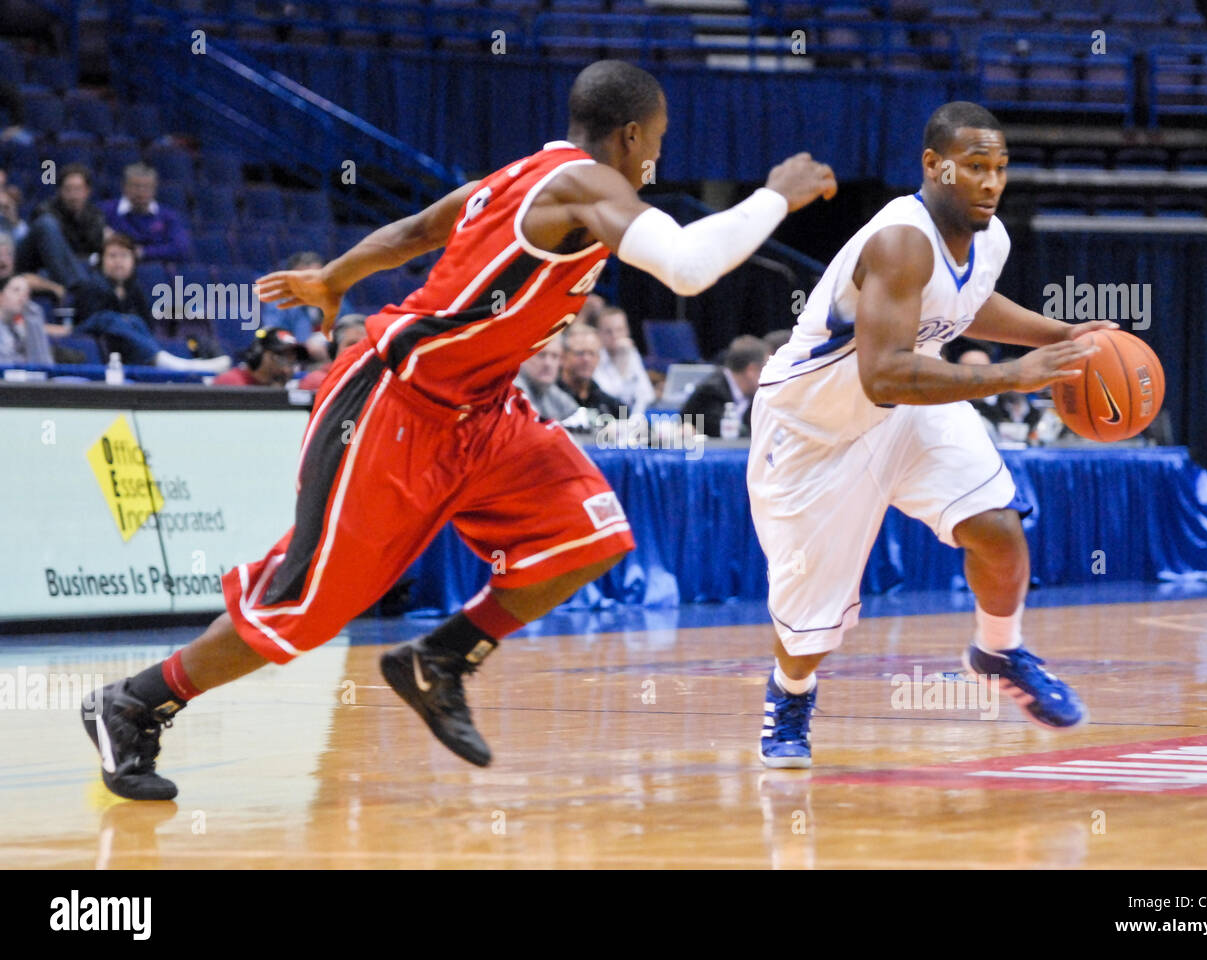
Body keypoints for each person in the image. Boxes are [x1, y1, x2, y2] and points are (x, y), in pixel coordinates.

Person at [81, 58, 836, 800]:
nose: (659, 158)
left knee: (585, 535)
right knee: (306, 608)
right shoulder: (582, 183)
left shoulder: (514, 180)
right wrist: (774, 195)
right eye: (659, 141)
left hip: (482, 410)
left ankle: (439, 659)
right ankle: (138, 700)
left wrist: (335, 276)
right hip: (396, 402)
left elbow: (418, 229)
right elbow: (689, 265)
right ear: (632, 136)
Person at [747, 101, 1114, 768]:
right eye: (976, 167)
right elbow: (884, 373)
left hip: (913, 405)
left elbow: (967, 306)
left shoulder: (989, 238)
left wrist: (1065, 334)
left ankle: (997, 649)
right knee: (807, 634)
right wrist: (1011, 377)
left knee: (997, 527)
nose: (991, 183)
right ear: (933, 165)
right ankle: (790, 691)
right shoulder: (900, 241)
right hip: (817, 428)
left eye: (1000, 168)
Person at [57, 233, 230, 372]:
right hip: (88, 333)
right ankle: (166, 362)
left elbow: (147, 325)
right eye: (112, 256)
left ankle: (160, 359)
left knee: (134, 320)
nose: (118, 262)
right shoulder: (92, 285)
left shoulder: (135, 289)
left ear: (133, 261)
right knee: (109, 318)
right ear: (102, 261)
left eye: (124, 256)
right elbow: (89, 322)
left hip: (124, 343)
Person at [16, 163, 103, 290]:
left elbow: (94, 249)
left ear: (87, 191)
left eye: (78, 189)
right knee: (46, 224)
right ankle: (79, 288)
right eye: (68, 189)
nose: (73, 195)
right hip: (35, 267)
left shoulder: (95, 215)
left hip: (73, 268)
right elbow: (54, 248)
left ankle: (82, 288)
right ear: (60, 191)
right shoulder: (44, 210)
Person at [100, 162, 194, 263]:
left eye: (147, 187)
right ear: (124, 187)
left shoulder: (168, 216)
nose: (141, 192)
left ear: (154, 189)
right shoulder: (105, 210)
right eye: (136, 186)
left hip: (156, 271)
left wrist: (144, 252)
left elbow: (181, 248)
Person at [681, 334, 769, 437]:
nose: (770, 376)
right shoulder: (710, 392)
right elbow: (727, 432)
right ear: (751, 370)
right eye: (766, 369)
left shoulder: (755, 396)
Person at [592, 304, 655, 414]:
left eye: (619, 330)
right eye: (608, 331)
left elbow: (648, 395)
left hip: (632, 421)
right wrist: (622, 365)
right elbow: (612, 399)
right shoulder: (593, 356)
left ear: (627, 331)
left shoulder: (630, 353)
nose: (615, 335)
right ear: (599, 334)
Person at [557, 322, 621, 420]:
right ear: (563, 357)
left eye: (592, 353)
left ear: (599, 358)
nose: (587, 359)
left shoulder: (610, 405)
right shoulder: (549, 399)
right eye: (580, 353)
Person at [211, 326, 307, 386]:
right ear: (257, 355)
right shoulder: (231, 382)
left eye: (292, 361)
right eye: (281, 358)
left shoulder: (283, 387)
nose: (287, 369)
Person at [514, 336, 580, 424]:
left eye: (554, 356)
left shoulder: (556, 395)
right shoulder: (514, 392)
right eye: (541, 355)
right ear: (524, 357)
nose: (548, 363)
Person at [296, 314, 368, 391]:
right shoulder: (316, 380)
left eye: (366, 345)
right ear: (335, 349)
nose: (359, 349)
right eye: (351, 344)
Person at [0, 274, 53, 365]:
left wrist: (34, 321)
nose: (22, 297)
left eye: (27, 294)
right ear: (1, 295)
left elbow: (44, 364)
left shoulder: (22, 331)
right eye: (16, 290)